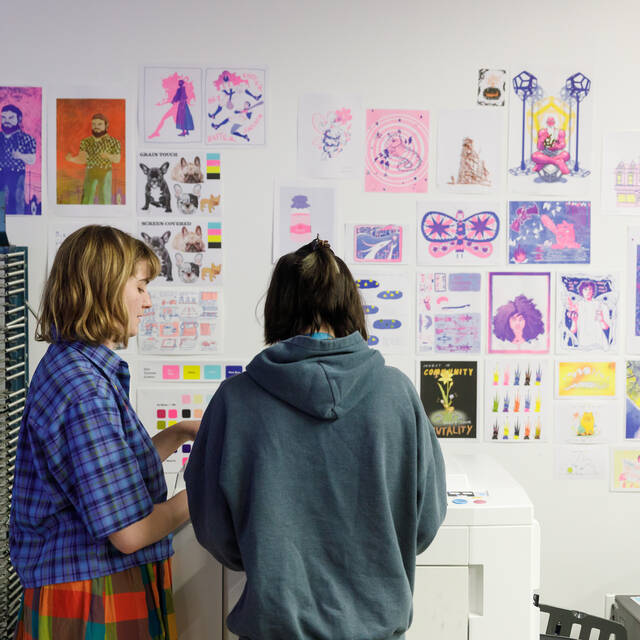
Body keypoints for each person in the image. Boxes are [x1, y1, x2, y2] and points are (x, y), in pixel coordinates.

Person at [185, 236, 447, 640]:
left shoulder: (234, 401)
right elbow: (425, 522)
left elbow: (214, 531)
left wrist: (267, 554)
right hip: (376, 628)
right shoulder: (397, 395)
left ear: (277, 307)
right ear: (350, 305)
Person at [10, 225, 198, 639]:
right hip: (88, 595)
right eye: (142, 287)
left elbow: (106, 478)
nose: (148, 302)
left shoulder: (71, 365)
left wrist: (181, 432)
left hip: (83, 584)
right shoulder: (85, 390)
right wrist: (211, 489)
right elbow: (130, 533)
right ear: (105, 287)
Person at [66, 113, 121, 204]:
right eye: (94, 124)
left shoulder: (114, 142)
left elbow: (117, 159)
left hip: (105, 171)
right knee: (86, 199)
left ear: (106, 125)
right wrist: (71, 159)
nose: (96, 126)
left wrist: (108, 156)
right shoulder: (86, 142)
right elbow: (82, 159)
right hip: (90, 170)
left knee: (105, 198)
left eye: (99, 124)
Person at [0, 104, 36, 214]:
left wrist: (20, 155)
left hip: (17, 175)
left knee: (16, 203)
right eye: (3, 117)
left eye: (11, 118)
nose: (6, 121)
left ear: (19, 119)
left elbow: (32, 159)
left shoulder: (27, 138)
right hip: (1, 173)